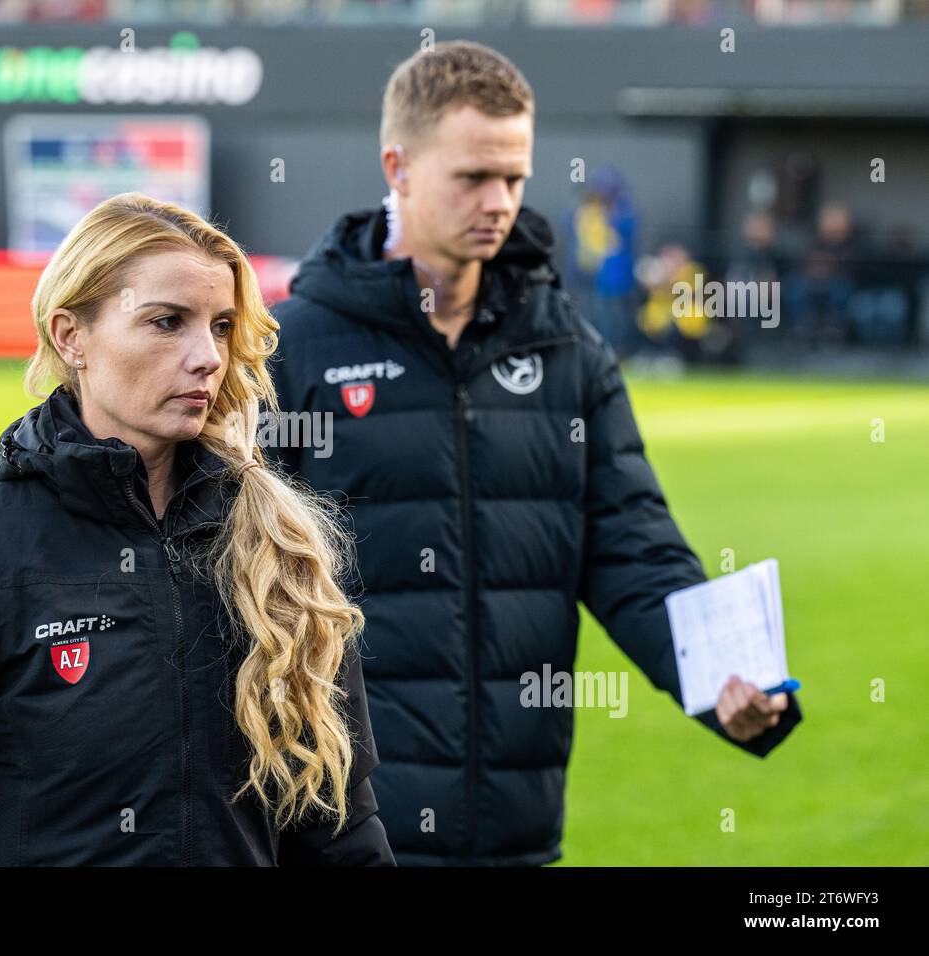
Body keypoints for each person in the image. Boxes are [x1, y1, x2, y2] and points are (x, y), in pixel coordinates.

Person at [266, 42, 802, 866]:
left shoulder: (566, 349)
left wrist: (728, 683)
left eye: (514, 178)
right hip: (346, 835)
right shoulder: (295, 349)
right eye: (474, 177)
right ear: (397, 166)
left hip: (518, 832)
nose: (499, 201)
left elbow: (633, 547)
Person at [0, 192, 395, 866]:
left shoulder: (280, 548)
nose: (207, 356)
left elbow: (340, 825)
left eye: (219, 325)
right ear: (72, 336)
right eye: (167, 322)